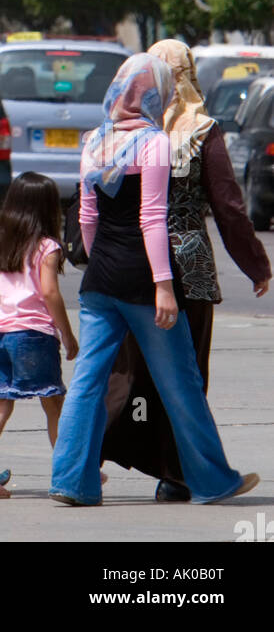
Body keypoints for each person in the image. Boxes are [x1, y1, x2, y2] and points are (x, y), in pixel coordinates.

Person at [50, 52, 258, 506]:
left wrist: (97, 261)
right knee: (179, 379)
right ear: (154, 95)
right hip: (143, 282)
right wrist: (163, 285)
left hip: (99, 281)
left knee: (88, 381)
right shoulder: (155, 143)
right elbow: (152, 218)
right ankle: (211, 480)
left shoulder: (93, 141)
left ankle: (71, 482)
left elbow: (86, 216)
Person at [101, 38, 271, 501]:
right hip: (187, 268)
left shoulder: (121, 127)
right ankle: (177, 475)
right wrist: (256, 265)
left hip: (131, 266)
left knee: (127, 371)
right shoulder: (203, 131)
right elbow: (230, 209)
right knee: (185, 374)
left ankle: (81, 459)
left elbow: (97, 199)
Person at [0, 172, 78, 498]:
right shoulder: (47, 247)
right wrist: (67, 335)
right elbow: (51, 293)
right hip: (33, 334)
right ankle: (71, 473)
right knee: (54, 405)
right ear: (48, 209)